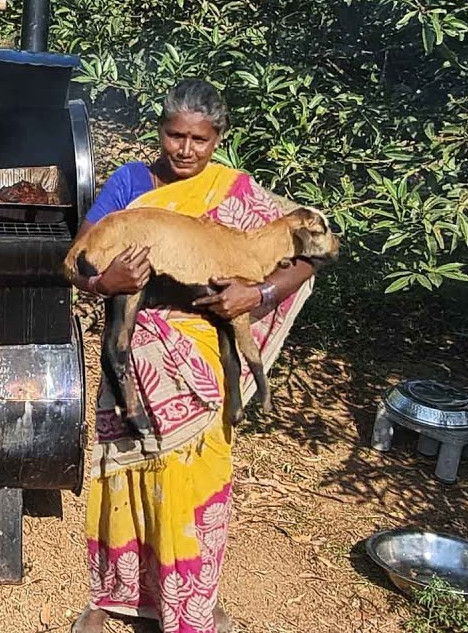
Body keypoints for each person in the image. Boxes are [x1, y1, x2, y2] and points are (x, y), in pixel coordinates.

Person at [70, 79, 321, 633]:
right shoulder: (131, 183)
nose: (185, 150)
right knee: (125, 473)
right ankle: (119, 595)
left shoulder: (236, 193)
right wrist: (105, 283)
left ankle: (190, 600)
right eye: (174, 135)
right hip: (131, 352)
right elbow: (77, 260)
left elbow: (311, 255)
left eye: (199, 139)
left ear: (218, 138)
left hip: (206, 351)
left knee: (194, 477)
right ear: (159, 131)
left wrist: (259, 293)